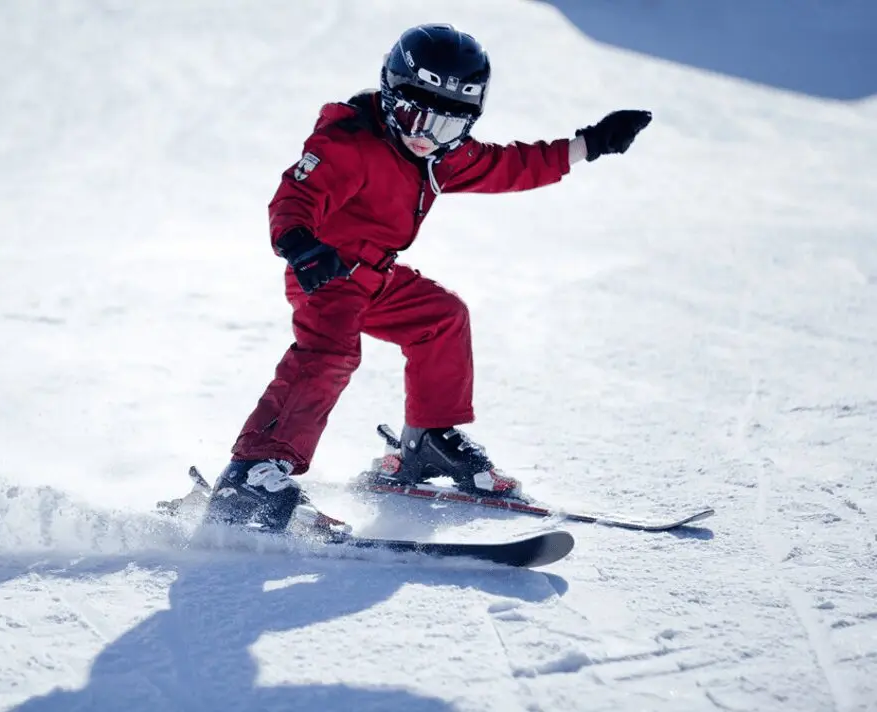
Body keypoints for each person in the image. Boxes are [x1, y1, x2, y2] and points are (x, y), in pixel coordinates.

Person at [203, 23, 652, 531]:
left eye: (446, 127)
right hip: (326, 271)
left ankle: (428, 441)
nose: (425, 136)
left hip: (375, 275)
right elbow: (295, 195)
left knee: (441, 317)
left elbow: (509, 165)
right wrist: (301, 245)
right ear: (392, 97)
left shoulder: (439, 157)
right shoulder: (350, 141)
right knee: (330, 353)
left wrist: (589, 144)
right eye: (416, 117)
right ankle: (252, 473)